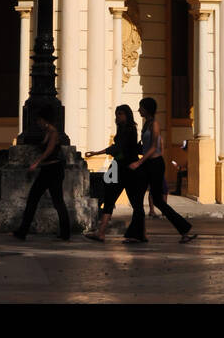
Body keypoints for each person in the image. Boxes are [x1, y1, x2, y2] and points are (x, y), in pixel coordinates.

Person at [130, 97, 196, 243]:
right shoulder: (146, 124)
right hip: (148, 163)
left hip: (155, 164)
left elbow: (154, 147)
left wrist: (138, 162)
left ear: (147, 109)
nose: (139, 109)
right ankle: (138, 234)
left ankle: (184, 229)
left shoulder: (154, 124)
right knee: (138, 197)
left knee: (158, 201)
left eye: (141, 107)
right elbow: (146, 147)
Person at [84, 104, 146, 242]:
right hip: (118, 167)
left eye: (120, 114)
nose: (117, 117)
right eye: (116, 114)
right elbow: (116, 148)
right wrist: (96, 153)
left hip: (126, 169)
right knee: (110, 198)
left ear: (127, 115)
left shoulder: (130, 129)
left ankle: (140, 234)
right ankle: (101, 232)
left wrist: (98, 153)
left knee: (134, 201)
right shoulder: (123, 129)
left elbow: (118, 148)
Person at [13, 107, 71, 241]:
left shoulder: (53, 132)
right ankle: (23, 231)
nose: (37, 122)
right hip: (47, 170)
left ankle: (65, 233)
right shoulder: (47, 132)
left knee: (57, 201)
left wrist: (36, 162)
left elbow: (50, 150)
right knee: (34, 199)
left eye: (39, 120)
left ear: (44, 120)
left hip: (54, 170)